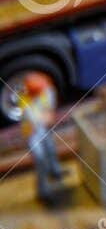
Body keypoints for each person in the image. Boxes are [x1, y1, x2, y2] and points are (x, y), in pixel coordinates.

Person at [16, 74, 64, 203]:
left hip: (43, 128)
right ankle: (42, 191)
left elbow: (49, 106)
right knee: (40, 160)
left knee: (51, 148)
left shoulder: (46, 90)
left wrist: (49, 114)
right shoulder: (24, 101)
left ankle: (55, 171)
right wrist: (46, 116)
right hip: (32, 134)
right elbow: (36, 119)